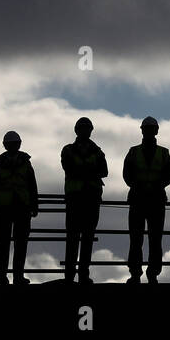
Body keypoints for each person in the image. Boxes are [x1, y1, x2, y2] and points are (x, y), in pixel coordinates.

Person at [123, 116, 170, 284]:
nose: (150, 131)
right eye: (148, 129)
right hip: (142, 199)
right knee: (137, 239)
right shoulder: (134, 152)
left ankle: (151, 273)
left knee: (153, 239)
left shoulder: (162, 153)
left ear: (155, 130)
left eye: (151, 129)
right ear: (143, 130)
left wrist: (152, 187)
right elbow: (127, 175)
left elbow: (168, 176)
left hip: (152, 200)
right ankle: (138, 272)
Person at [60, 117, 107, 283]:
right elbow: (69, 168)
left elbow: (104, 171)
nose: (85, 131)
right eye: (83, 128)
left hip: (90, 199)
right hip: (76, 198)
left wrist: (83, 170)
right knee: (73, 238)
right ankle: (70, 276)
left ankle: (82, 275)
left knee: (86, 238)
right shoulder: (69, 150)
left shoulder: (97, 151)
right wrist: (91, 172)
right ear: (77, 130)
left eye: (87, 128)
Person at [0, 130, 38, 285]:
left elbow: (31, 185)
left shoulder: (3, 163)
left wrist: (34, 205)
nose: (13, 146)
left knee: (16, 243)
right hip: (10, 208)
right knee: (8, 243)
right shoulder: (10, 163)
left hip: (16, 208)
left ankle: (14, 276)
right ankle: (5, 276)